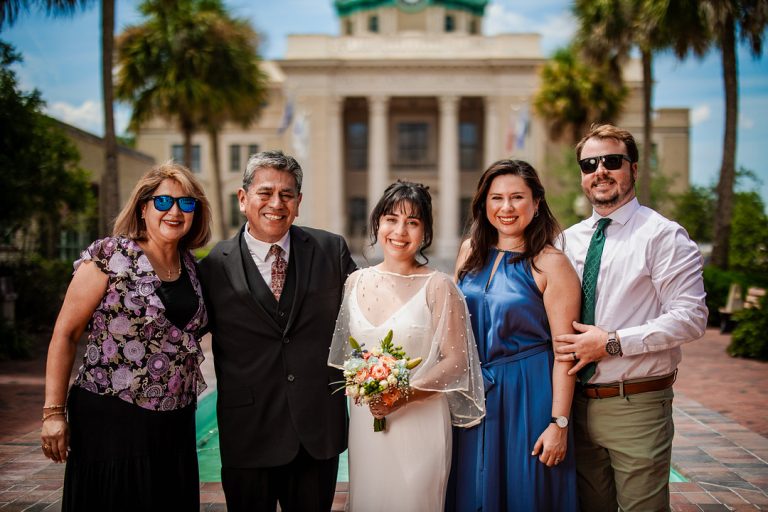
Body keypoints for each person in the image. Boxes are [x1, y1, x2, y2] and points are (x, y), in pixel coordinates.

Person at [40, 162, 212, 511]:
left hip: (174, 422)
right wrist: (53, 413)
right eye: (164, 202)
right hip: (111, 419)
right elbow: (65, 333)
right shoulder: (109, 255)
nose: (175, 211)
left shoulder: (192, 267)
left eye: (186, 203)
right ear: (143, 206)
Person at [554, 124, 708, 511]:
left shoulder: (662, 236)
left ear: (634, 170)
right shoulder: (566, 241)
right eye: (590, 164)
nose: (600, 171)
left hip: (635, 404)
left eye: (612, 161)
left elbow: (691, 317)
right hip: (576, 407)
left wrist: (611, 341)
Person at [199, 150, 357, 512]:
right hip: (248, 432)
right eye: (265, 192)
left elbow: (368, 313)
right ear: (243, 199)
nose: (276, 203)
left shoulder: (330, 250)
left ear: (298, 203)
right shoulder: (212, 267)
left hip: (317, 431)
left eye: (287, 195)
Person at [328, 180, 485, 512]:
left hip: (420, 421)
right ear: (377, 223)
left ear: (425, 232)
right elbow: (348, 355)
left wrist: (401, 394)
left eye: (412, 222)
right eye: (391, 219)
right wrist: (366, 383)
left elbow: (456, 363)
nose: (400, 230)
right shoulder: (355, 282)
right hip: (366, 424)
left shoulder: (439, 286)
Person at [447, 159, 582, 511]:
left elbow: (565, 352)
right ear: (483, 204)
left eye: (517, 197)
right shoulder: (468, 252)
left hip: (528, 393)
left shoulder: (552, 263)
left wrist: (559, 423)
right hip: (474, 392)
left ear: (536, 203)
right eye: (496, 198)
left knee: (525, 492)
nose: (506, 208)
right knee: (471, 491)